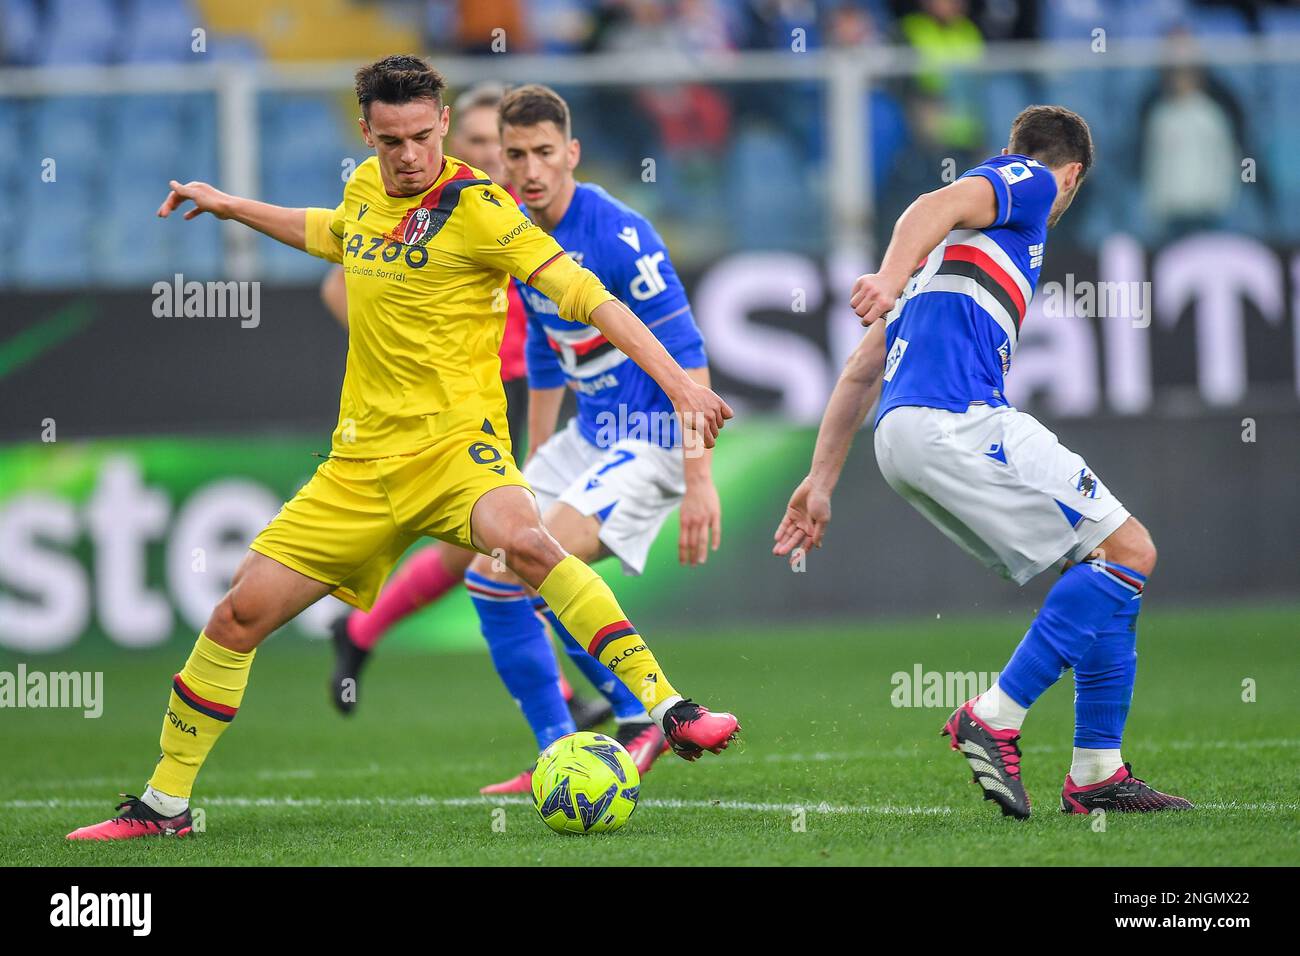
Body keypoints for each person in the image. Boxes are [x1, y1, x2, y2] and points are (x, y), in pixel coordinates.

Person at [67, 55, 738, 841]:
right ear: (368, 133)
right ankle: (163, 807)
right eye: (392, 141)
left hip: (461, 455)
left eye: (423, 136)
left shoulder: (482, 208)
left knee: (526, 546)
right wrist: (229, 205)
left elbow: (587, 296)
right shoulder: (363, 187)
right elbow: (332, 233)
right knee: (238, 614)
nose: (410, 156)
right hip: (358, 468)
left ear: (444, 125)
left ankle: (669, 708)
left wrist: (683, 386)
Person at [774, 105, 1191, 819]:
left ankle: (1097, 770)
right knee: (1131, 550)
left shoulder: (952, 256)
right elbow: (933, 202)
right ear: (1074, 176)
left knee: (1102, 566)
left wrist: (820, 480)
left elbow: (858, 372)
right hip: (955, 418)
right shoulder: (1029, 182)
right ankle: (995, 714)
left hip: (900, 437)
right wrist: (885, 270)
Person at [322, 82, 611, 733]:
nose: (488, 157)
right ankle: (585, 703)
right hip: (467, 394)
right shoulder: (441, 210)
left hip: (512, 386)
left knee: (492, 554)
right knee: (509, 549)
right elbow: (337, 278)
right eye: (478, 143)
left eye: (495, 146)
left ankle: (363, 629)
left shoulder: (512, 210)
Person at [473, 84, 724, 793]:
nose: (529, 169)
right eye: (515, 153)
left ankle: (645, 713)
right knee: (493, 572)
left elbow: (689, 357)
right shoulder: (516, 237)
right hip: (589, 437)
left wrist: (699, 478)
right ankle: (560, 748)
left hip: (651, 438)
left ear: (572, 153)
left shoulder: (618, 235)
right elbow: (552, 358)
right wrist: (534, 462)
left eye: (544, 153)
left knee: (538, 557)